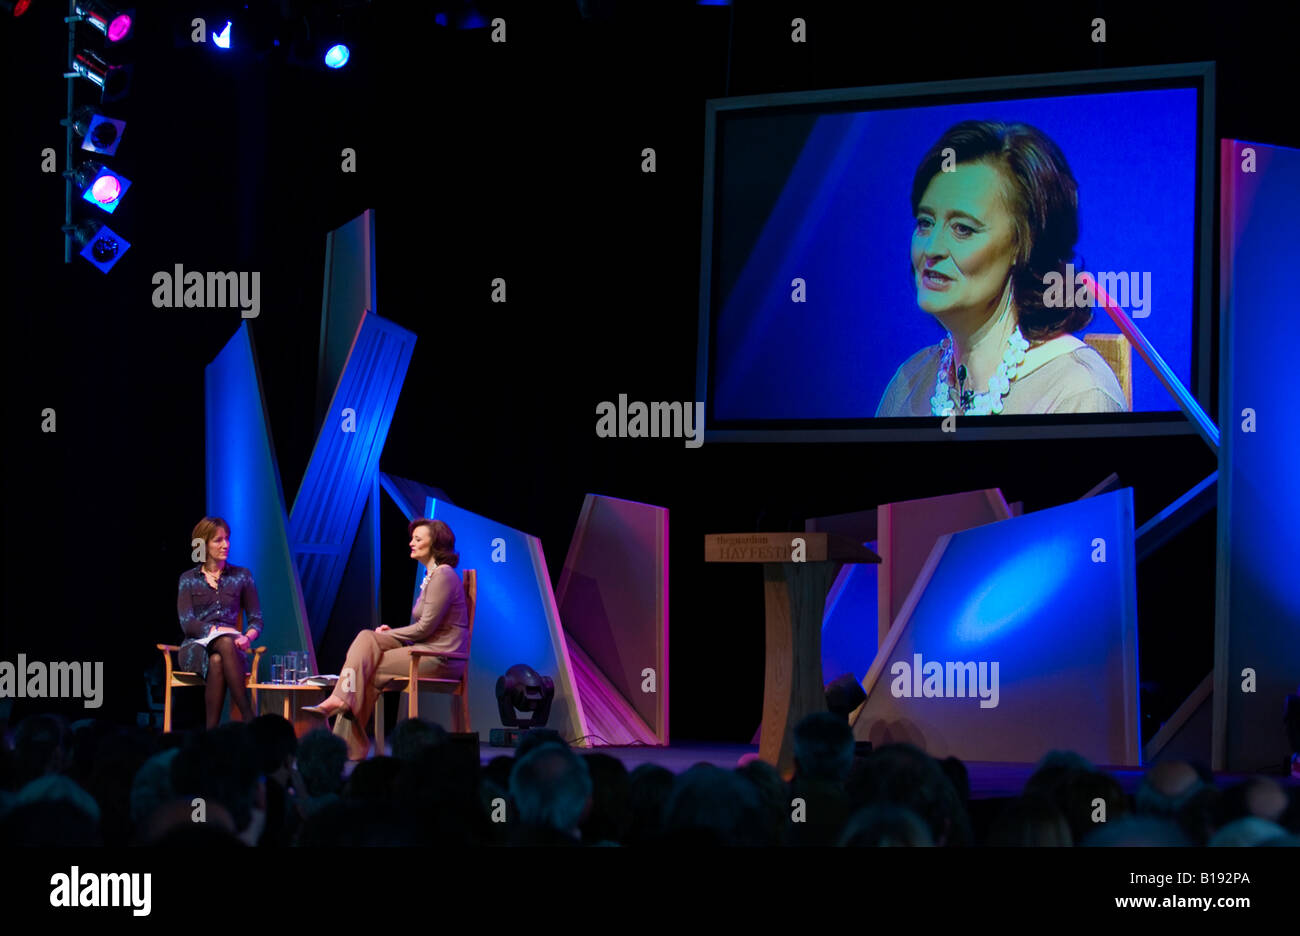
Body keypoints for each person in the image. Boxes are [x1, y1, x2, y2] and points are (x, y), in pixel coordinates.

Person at [876, 120, 1127, 417]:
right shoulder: (909, 383)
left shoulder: (1077, 392)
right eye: (925, 223)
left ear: (1022, 244)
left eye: (963, 229)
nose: (931, 249)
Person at [304, 518, 469, 761]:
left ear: (435, 544)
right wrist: (388, 633)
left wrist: (388, 635)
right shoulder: (432, 576)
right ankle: (344, 719)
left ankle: (343, 735)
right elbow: (425, 629)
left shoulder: (444, 575)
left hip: (442, 657)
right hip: (425, 649)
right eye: (412, 538)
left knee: (368, 663)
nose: (411, 543)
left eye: (418, 539)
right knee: (367, 640)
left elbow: (423, 629)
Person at [177, 517, 261, 729]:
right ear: (203, 544)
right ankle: (250, 718)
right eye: (218, 540)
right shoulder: (188, 578)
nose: (226, 545)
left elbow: (256, 620)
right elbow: (187, 623)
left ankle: (210, 734)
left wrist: (246, 636)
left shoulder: (242, 576)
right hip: (195, 647)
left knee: (218, 659)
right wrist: (216, 630)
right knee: (223, 643)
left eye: (227, 539)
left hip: (231, 649)